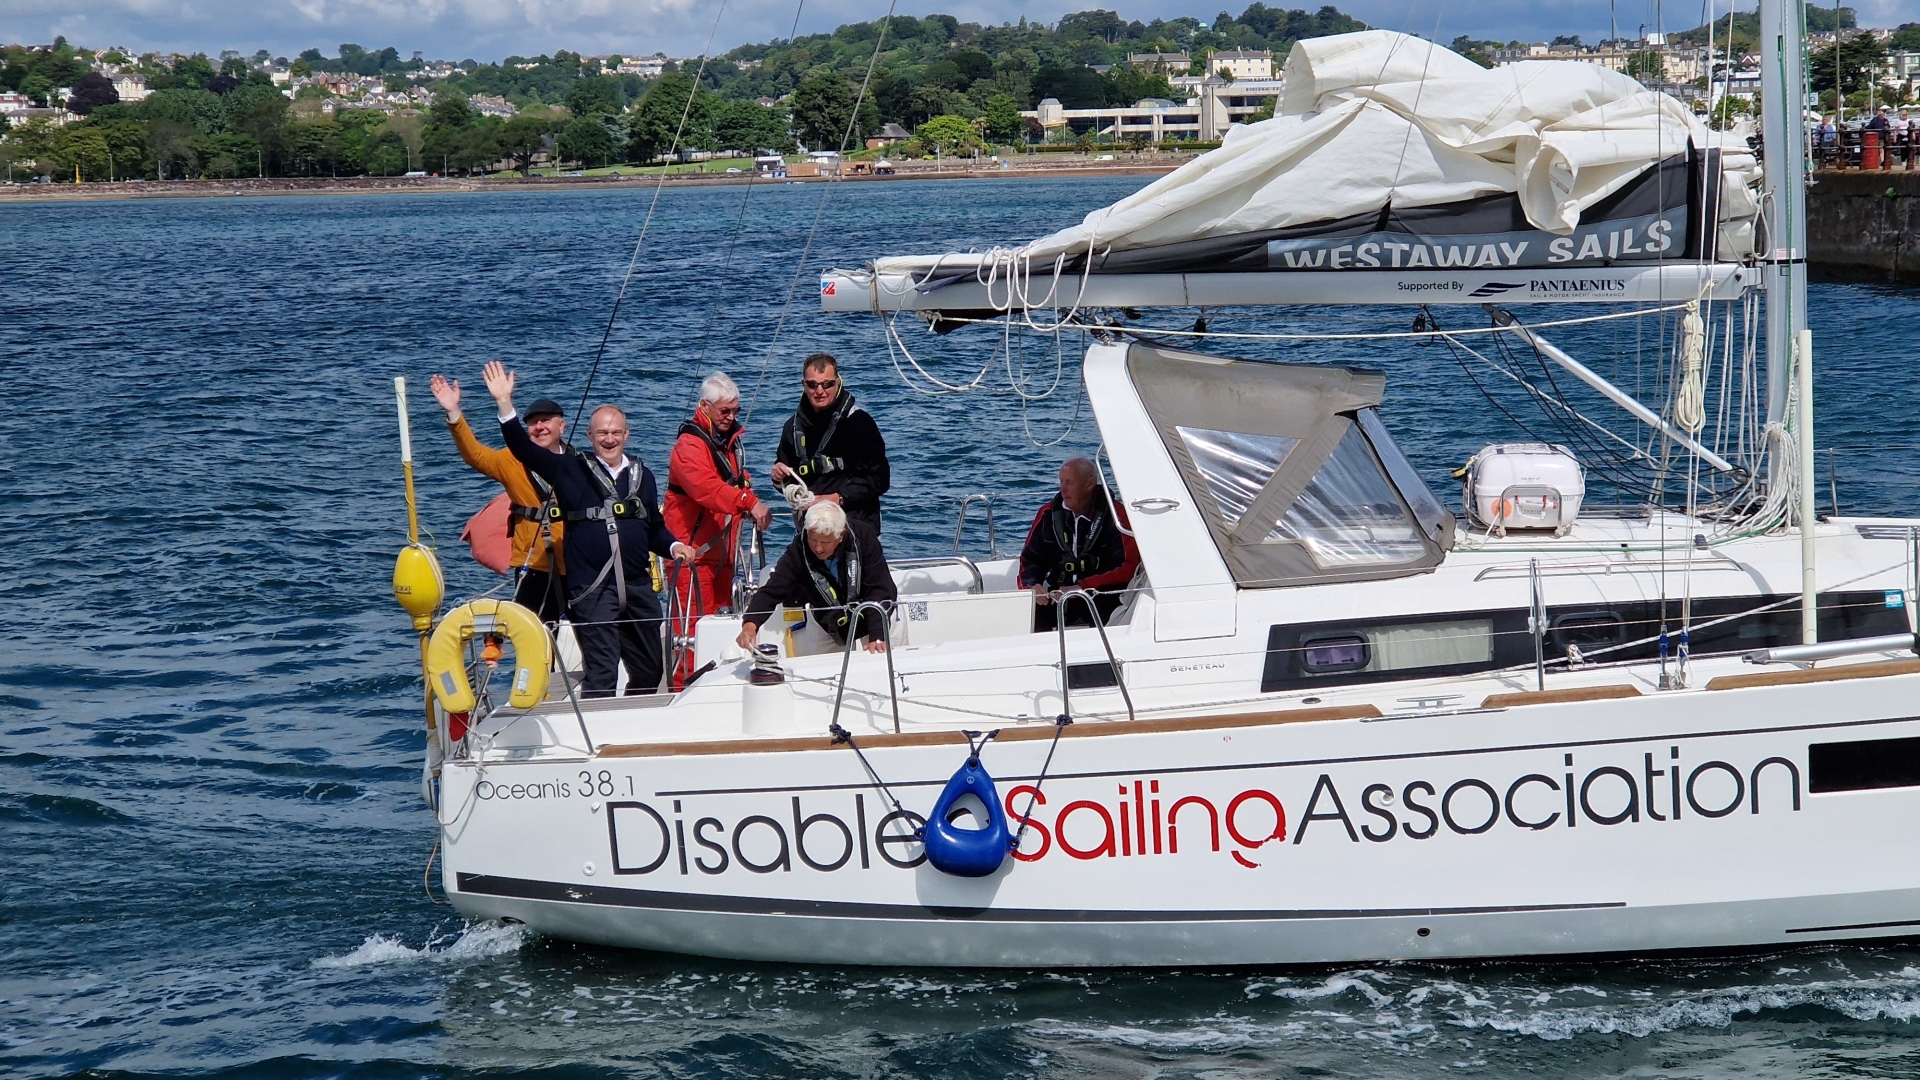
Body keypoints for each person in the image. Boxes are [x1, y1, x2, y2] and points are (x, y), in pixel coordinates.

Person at [484, 362, 693, 697]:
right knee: (602, 671)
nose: (608, 440)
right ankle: (599, 736)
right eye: (601, 434)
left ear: (626, 435)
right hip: (593, 589)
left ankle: (634, 725)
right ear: (589, 437)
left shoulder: (644, 476)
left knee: (650, 668)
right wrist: (505, 404)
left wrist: (674, 547)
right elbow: (524, 451)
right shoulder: (570, 469)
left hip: (638, 586)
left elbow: (654, 529)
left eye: (615, 433)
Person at [429, 373, 568, 624]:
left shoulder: (579, 462)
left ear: (562, 426)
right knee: (535, 635)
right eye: (533, 423)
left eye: (546, 420)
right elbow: (475, 455)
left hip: (577, 563)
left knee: (591, 632)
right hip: (533, 565)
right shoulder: (510, 460)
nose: (540, 427)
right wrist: (454, 413)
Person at [665, 373, 772, 684]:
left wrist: (746, 490)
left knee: (722, 627)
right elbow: (706, 488)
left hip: (721, 554)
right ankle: (682, 691)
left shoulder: (725, 444)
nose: (731, 417)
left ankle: (717, 685)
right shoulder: (689, 447)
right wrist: (746, 501)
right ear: (705, 406)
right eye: (725, 411)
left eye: (735, 411)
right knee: (691, 636)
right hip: (692, 557)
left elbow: (732, 478)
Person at [736, 501, 896, 653]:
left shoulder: (863, 537)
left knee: (885, 653)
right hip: (827, 619)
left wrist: (878, 633)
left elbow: (878, 588)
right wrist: (751, 624)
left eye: (825, 542)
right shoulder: (800, 548)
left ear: (840, 536)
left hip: (876, 610)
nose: (818, 548)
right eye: (813, 539)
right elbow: (774, 589)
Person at [770, 353, 890, 534]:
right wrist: (778, 477)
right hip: (812, 529)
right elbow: (789, 483)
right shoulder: (792, 428)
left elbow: (880, 480)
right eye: (812, 385)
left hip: (855, 526)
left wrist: (835, 498)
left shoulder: (860, 424)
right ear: (804, 385)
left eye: (827, 384)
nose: (820, 391)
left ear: (838, 383)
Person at [1018, 457, 1142, 632]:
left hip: (1102, 594)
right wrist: (1033, 586)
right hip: (1058, 594)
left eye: (1069, 482)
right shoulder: (1047, 514)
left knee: (1108, 608)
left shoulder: (1116, 515)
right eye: (1061, 481)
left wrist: (1083, 586)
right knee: (1029, 613)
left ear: (1089, 484)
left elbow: (1128, 567)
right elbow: (1030, 560)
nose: (1063, 488)